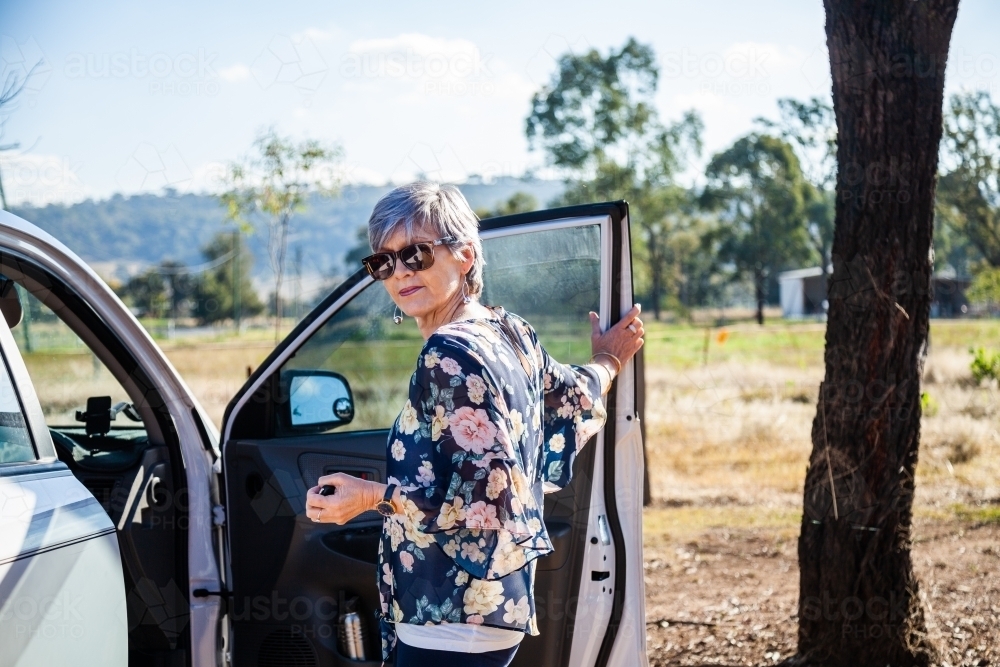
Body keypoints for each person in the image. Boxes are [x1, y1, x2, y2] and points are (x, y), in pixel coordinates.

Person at [305, 181, 644, 667]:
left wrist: (370, 496)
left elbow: (486, 501)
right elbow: (571, 396)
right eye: (383, 262)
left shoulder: (448, 353)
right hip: (491, 610)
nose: (399, 272)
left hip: (449, 616)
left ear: (464, 255)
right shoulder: (509, 330)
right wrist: (609, 359)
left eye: (416, 254)